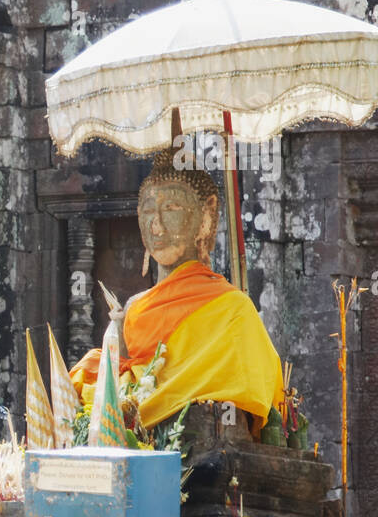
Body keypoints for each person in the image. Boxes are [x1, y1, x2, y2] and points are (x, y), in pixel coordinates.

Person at [71, 148, 283, 431]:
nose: (156, 225)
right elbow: (123, 388)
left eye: (171, 209)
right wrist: (117, 345)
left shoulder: (232, 308)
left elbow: (241, 391)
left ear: (205, 217)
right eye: (148, 210)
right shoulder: (134, 307)